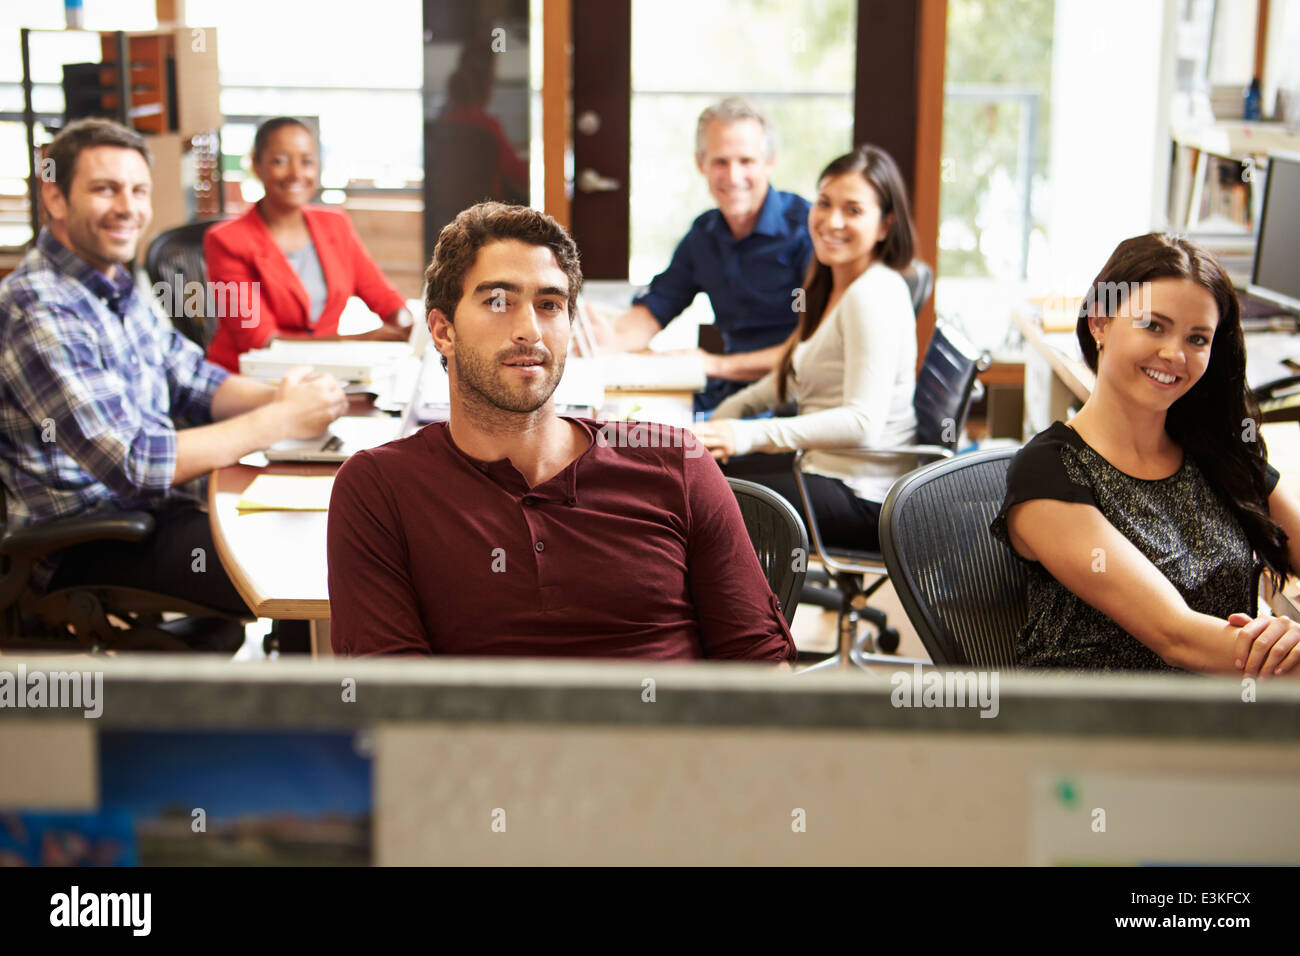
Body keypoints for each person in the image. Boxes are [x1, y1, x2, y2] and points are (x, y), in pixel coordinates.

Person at [326, 201, 795, 661]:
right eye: (497, 301)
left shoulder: (675, 461)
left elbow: (760, 669)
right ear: (443, 331)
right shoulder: (378, 488)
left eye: (549, 304)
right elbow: (393, 706)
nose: (529, 329)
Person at [0, 118, 349, 648]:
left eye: (138, 191)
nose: (128, 208)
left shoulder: (115, 282)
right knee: (307, 560)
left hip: (148, 511)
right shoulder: (41, 309)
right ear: (56, 197)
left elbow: (193, 379)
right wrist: (278, 420)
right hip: (89, 536)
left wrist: (293, 400)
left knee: (319, 531)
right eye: (104, 189)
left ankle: (304, 685)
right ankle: (313, 706)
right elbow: (134, 463)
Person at [991, 233, 1300, 677]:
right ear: (1100, 322)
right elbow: (1176, 637)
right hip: (1102, 731)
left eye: (1197, 338)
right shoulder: (1049, 472)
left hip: (1218, 716)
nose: (1174, 354)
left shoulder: (1215, 453)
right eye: (1153, 325)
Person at [691, 145, 919, 553]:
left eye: (853, 210)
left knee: (692, 501)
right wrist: (728, 417)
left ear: (885, 225)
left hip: (861, 496)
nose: (832, 221)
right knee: (691, 472)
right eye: (825, 203)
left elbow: (863, 421)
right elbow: (793, 372)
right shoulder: (832, 281)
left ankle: (742, 615)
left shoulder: (874, 294)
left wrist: (745, 435)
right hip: (822, 468)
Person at [583, 97, 813, 412]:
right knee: (627, 426)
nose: (733, 177)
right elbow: (655, 309)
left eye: (746, 161)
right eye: (720, 162)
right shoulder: (703, 235)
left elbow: (812, 349)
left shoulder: (807, 232)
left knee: (672, 442)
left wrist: (712, 364)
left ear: (769, 163)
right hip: (727, 391)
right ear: (700, 163)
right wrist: (608, 339)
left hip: (791, 395)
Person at [204, 117, 413, 372]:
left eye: (307, 161)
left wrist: (405, 324)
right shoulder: (227, 242)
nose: (296, 174)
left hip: (325, 377)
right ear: (256, 165)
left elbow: (384, 298)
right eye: (280, 160)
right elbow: (262, 342)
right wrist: (361, 341)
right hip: (250, 381)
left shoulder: (335, 224)